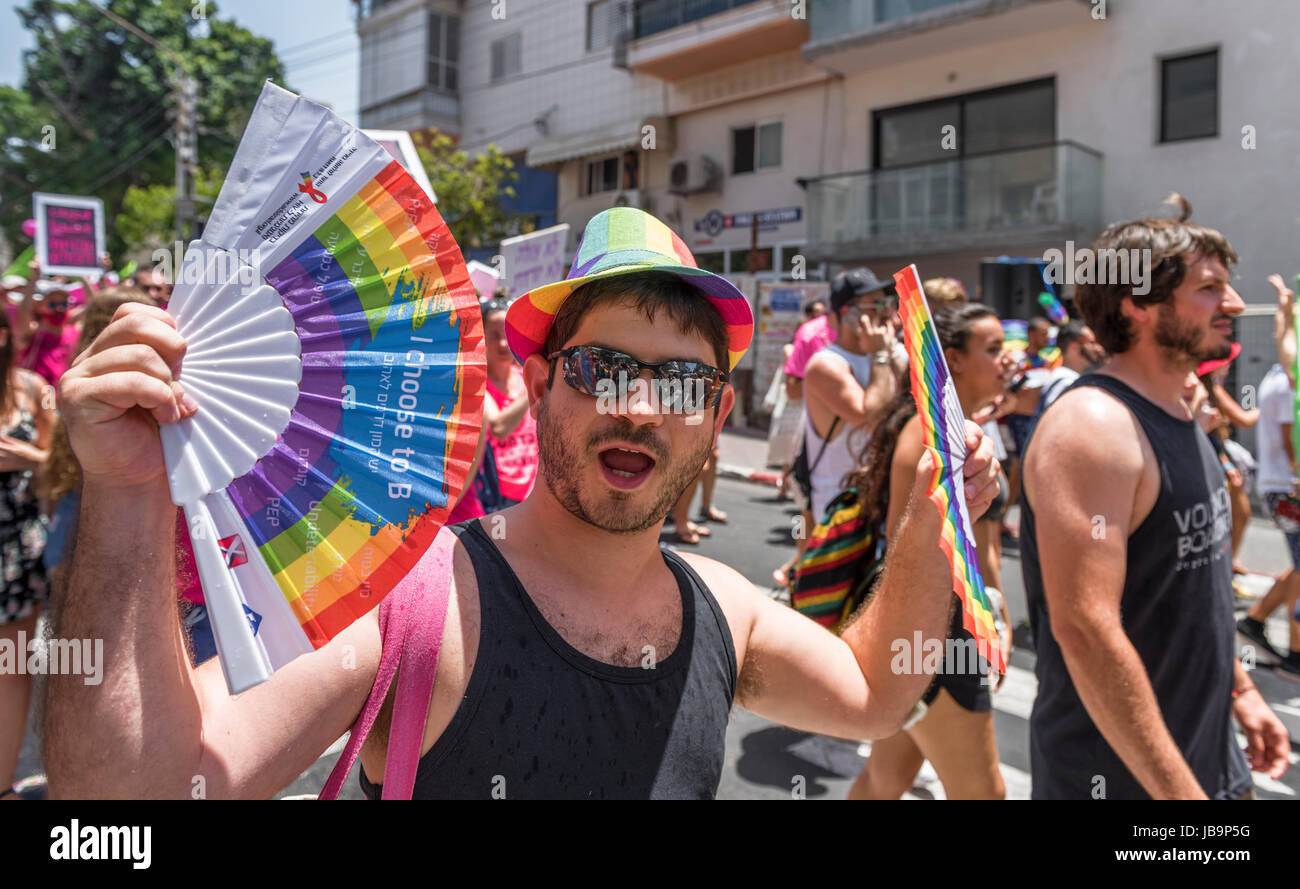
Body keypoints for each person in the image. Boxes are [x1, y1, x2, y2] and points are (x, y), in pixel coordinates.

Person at [46, 206, 1000, 799]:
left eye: (676, 384)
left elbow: (875, 699)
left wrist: (928, 510)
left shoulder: (724, 608)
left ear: (714, 418)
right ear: (539, 385)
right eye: (600, 369)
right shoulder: (411, 601)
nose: (634, 407)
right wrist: (127, 495)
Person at [1021, 205, 1290, 798]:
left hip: (1204, 756)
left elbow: (1196, 590)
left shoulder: (1180, 410)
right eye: (1210, 288)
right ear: (1137, 304)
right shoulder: (1093, 426)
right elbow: (1086, 631)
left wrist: (1242, 694)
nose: (1236, 305)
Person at [850, 303, 1013, 800]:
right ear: (956, 360)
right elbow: (911, 553)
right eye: (993, 348)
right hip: (937, 640)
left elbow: (980, 543)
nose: (1008, 359)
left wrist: (997, 618)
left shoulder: (961, 429)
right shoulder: (932, 435)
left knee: (886, 780)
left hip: (939, 633)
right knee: (984, 794)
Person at [0, 307, 56, 800]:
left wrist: (27, 457)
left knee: (10, 668)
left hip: (15, 549)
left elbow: (62, 468)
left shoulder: (31, 388)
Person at [801, 269, 906, 522]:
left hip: (886, 499)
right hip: (840, 506)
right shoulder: (826, 364)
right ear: (848, 313)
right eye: (876, 304)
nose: (885, 311)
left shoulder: (893, 353)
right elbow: (869, 420)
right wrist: (880, 357)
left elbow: (917, 403)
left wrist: (889, 354)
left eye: (887, 303)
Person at [481, 297, 538, 509]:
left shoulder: (527, 376)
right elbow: (498, 427)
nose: (503, 343)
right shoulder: (478, 385)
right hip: (498, 498)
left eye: (506, 334)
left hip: (535, 492)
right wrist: (533, 387)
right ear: (482, 337)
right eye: (494, 336)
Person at [1033, 320, 1105, 416]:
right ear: (1074, 346)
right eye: (1092, 342)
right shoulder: (1067, 384)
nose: (1098, 348)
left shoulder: (1065, 378)